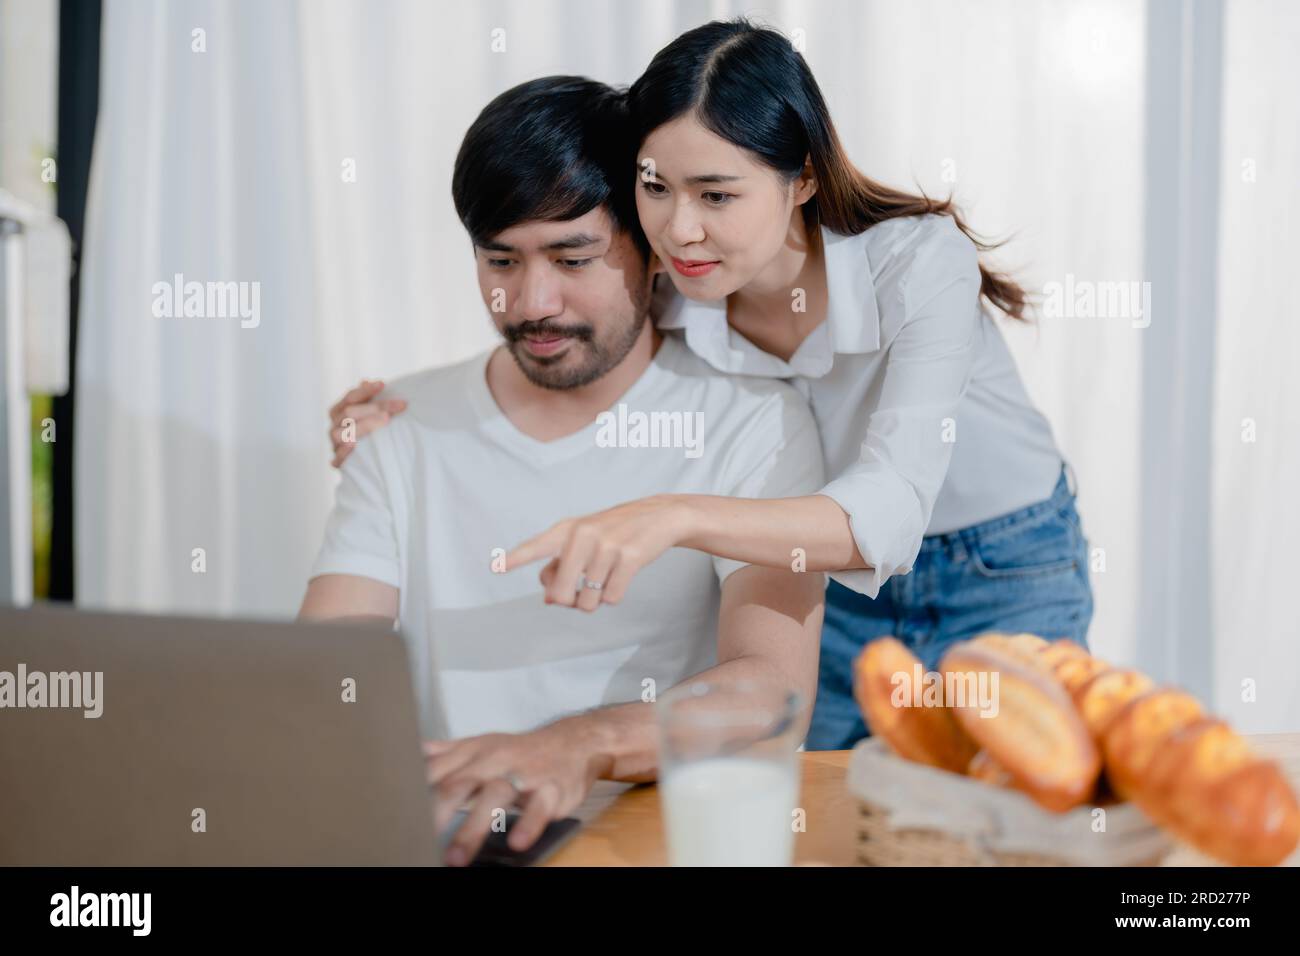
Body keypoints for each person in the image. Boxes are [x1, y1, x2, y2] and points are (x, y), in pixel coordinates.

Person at [331, 19, 1094, 753]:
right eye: (656, 189)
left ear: (800, 179)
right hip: (817, 572)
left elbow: (891, 509)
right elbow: (555, 314)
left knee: (1013, 798)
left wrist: (674, 515)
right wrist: (399, 430)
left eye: (717, 195)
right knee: (830, 804)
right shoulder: (677, 287)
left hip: (1002, 561)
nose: (680, 228)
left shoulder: (919, 264)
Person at [301, 76, 825, 866]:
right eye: (500, 259)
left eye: (571, 257)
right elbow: (325, 668)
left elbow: (771, 689)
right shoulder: (399, 425)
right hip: (461, 838)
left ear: (653, 250)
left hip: (655, 840)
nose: (531, 301)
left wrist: (578, 745)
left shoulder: (754, 424)